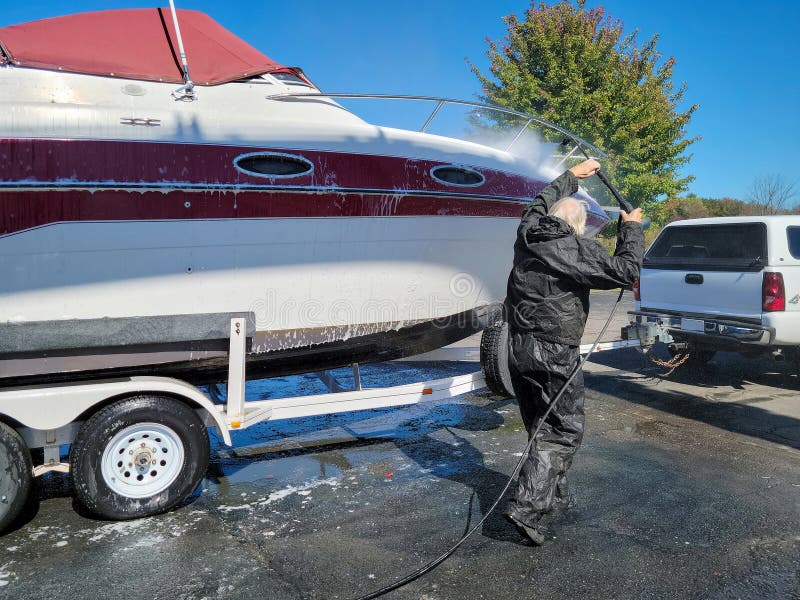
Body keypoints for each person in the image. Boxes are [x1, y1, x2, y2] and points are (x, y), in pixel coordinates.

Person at [503, 158, 644, 545]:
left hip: (517, 348)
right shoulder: (577, 249)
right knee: (563, 431)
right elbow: (627, 270)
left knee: (540, 425)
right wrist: (631, 229)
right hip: (554, 351)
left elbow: (536, 203)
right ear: (577, 226)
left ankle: (552, 495)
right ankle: (527, 508)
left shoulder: (528, 231)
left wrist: (571, 176)